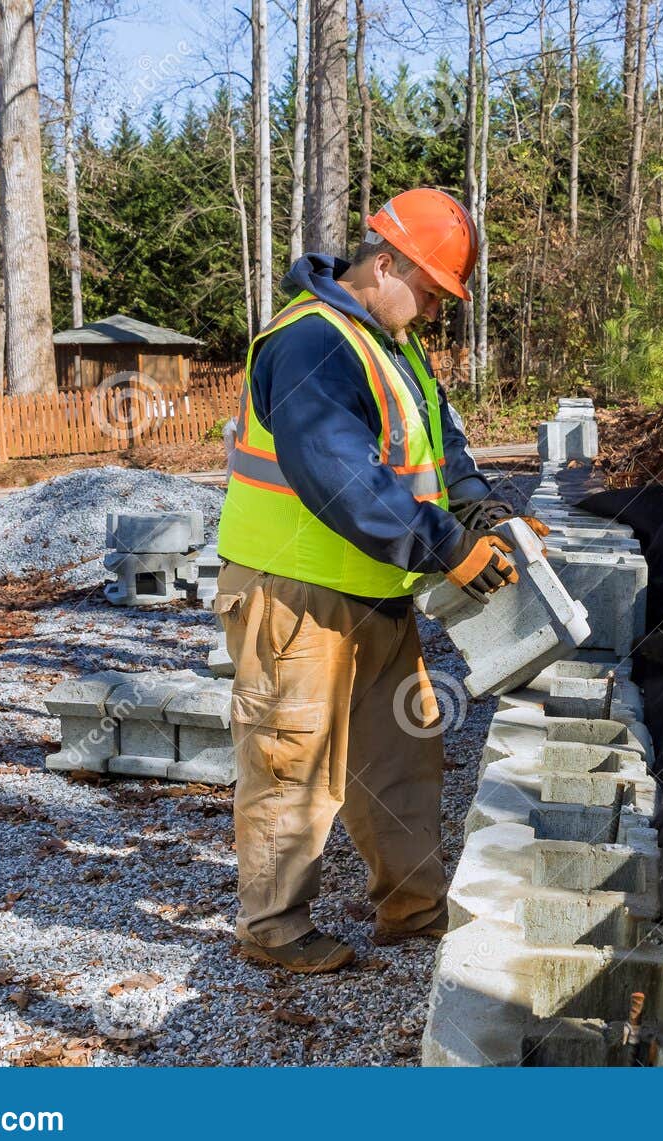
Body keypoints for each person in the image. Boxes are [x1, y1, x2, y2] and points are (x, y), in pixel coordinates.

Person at [213, 187, 533, 973]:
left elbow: (442, 450)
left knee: (401, 754)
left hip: (375, 593)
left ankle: (413, 909)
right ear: (384, 264)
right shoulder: (312, 344)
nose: (429, 311)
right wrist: (441, 544)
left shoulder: (391, 345)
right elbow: (338, 475)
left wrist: (485, 514)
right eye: (427, 292)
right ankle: (275, 927)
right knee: (293, 759)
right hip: (293, 594)